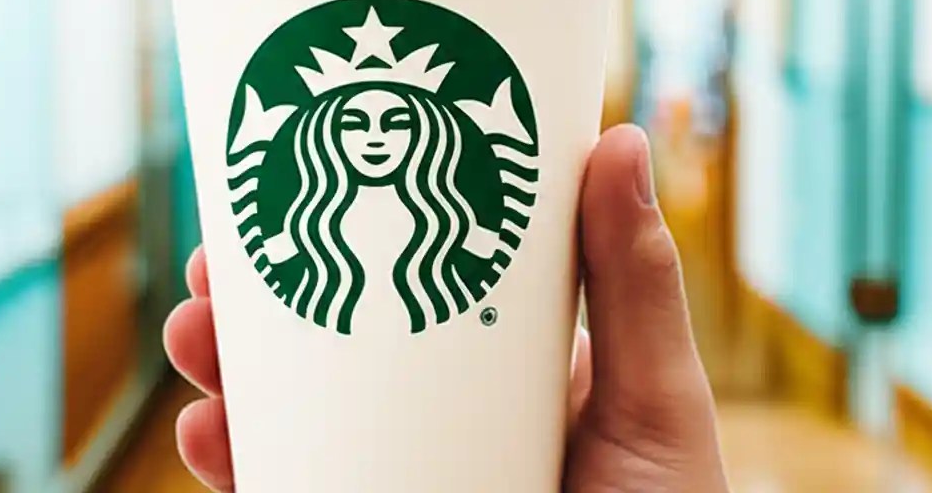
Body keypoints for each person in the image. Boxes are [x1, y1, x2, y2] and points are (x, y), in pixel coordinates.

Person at [164, 124, 731, 492]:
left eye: (397, 124)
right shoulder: (313, 234)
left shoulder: (446, 229)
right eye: (354, 125)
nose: (376, 140)